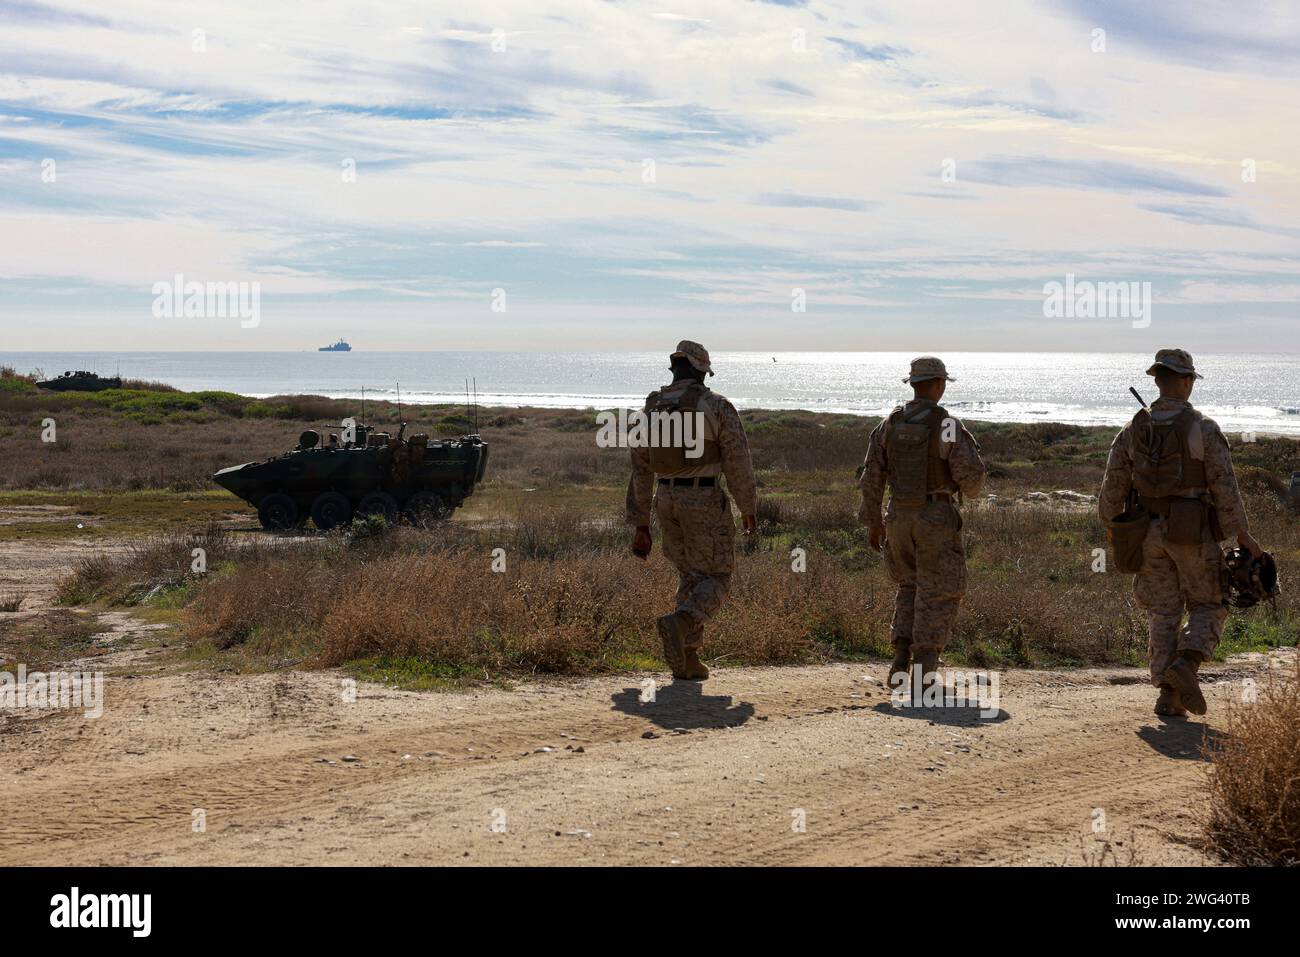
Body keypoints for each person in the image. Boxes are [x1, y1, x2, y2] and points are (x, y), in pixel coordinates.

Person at [1099, 349, 1262, 717]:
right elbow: (1224, 486)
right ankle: (1186, 664)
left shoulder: (1132, 430)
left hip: (1146, 533)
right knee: (1211, 602)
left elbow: (1111, 490)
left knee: (1163, 611)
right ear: (1187, 382)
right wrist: (1242, 535)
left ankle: (1167, 695)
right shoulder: (1202, 428)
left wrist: (1114, 529)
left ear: (1158, 380)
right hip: (1192, 532)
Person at [626, 341, 757, 680]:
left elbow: (640, 470)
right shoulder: (716, 405)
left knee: (690, 575)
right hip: (702, 499)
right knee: (717, 575)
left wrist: (641, 522)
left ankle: (689, 658)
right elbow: (738, 463)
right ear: (701, 370)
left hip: (664, 499)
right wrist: (748, 507)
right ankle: (681, 623)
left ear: (674, 369)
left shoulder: (651, 408)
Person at [858, 356, 986, 695]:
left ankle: (900, 659)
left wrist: (873, 522)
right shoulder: (947, 425)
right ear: (939, 386)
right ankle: (925, 670)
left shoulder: (890, 424)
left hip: (897, 516)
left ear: (913, 385)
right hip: (935, 517)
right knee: (939, 591)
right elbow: (971, 482)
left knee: (909, 587)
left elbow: (870, 477)